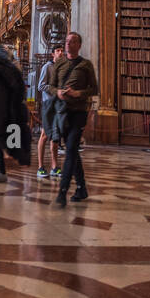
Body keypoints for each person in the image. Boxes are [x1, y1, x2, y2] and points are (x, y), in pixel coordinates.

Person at [49, 32, 98, 208]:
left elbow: (94, 89)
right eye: (67, 41)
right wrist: (58, 93)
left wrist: (79, 93)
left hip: (79, 112)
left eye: (73, 41)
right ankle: (81, 188)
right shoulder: (59, 64)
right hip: (62, 113)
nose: (69, 44)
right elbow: (50, 86)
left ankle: (62, 191)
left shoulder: (86, 65)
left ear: (79, 45)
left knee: (70, 149)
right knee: (72, 150)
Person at [36, 45, 63, 178]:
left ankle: (54, 167)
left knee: (55, 137)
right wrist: (56, 90)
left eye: (62, 50)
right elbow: (41, 86)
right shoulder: (47, 67)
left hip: (59, 106)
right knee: (45, 135)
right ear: (53, 54)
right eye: (58, 51)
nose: (61, 52)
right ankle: (40, 167)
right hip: (48, 105)